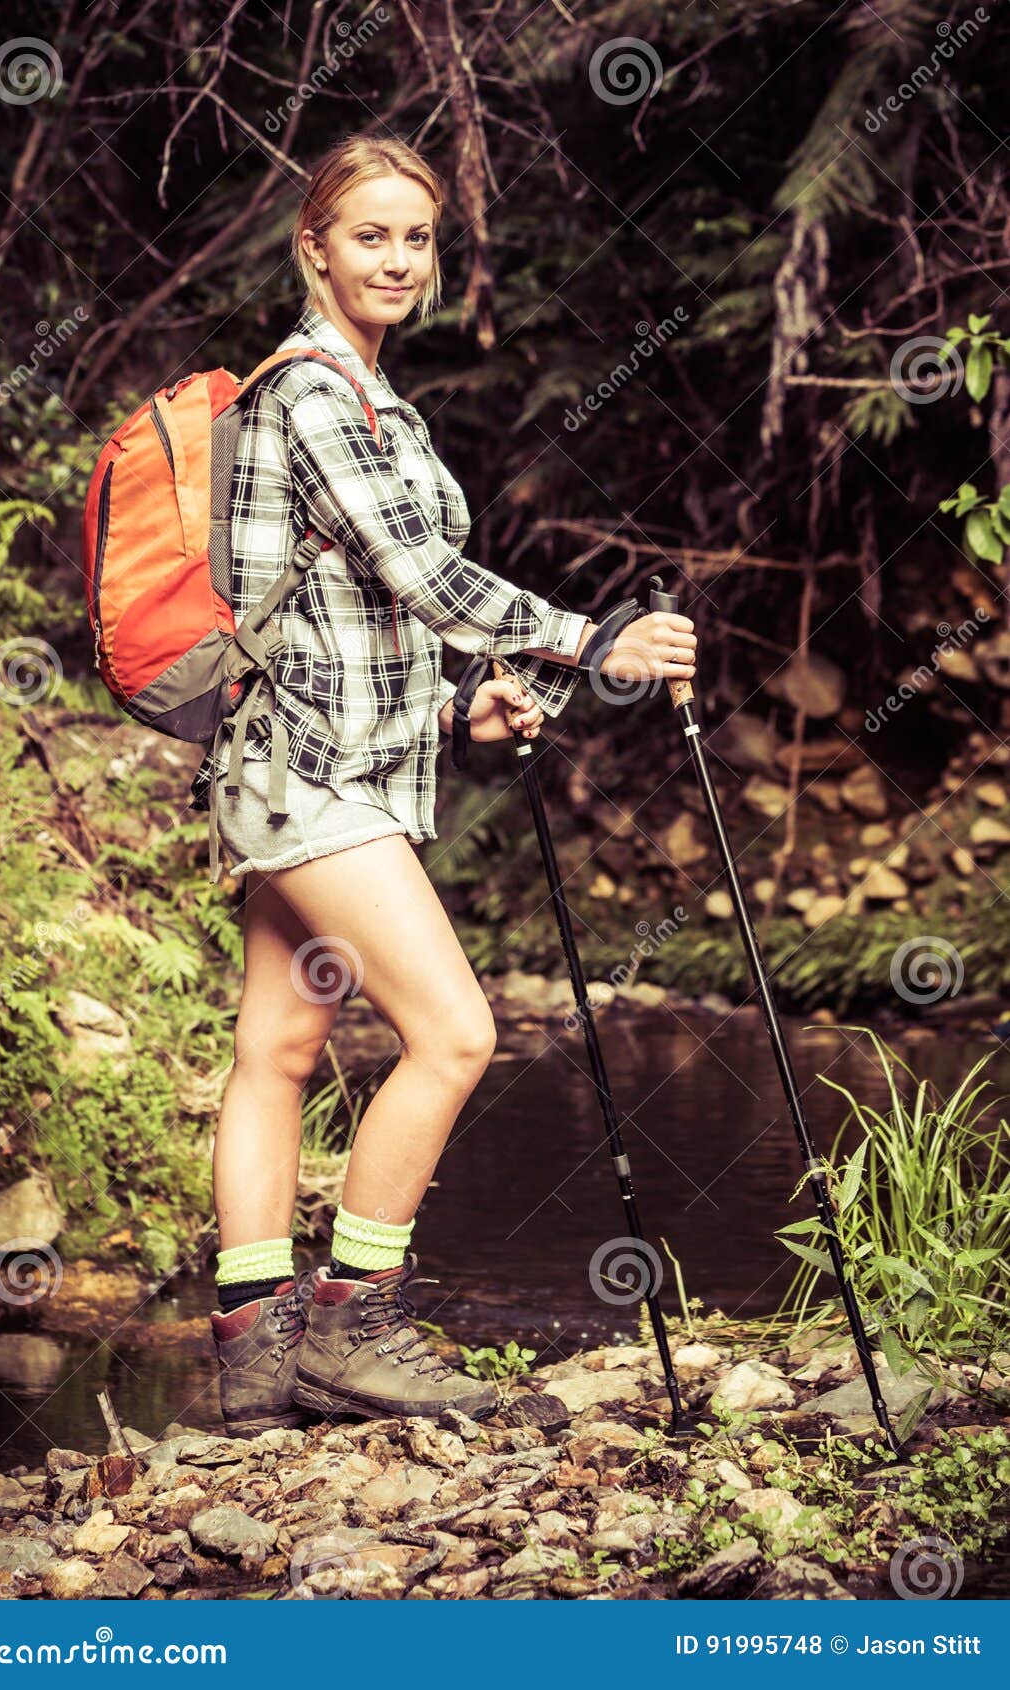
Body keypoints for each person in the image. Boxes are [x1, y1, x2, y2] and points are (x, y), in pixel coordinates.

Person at [199, 133, 698, 1436]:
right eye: (369, 235)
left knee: (278, 1050)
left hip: (307, 759)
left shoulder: (374, 401)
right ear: (313, 247)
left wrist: (453, 707)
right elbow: (422, 577)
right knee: (458, 1033)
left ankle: (253, 1355)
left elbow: (337, 621)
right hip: (310, 779)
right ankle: (354, 1327)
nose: (397, 260)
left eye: (416, 238)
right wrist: (590, 639)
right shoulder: (311, 396)